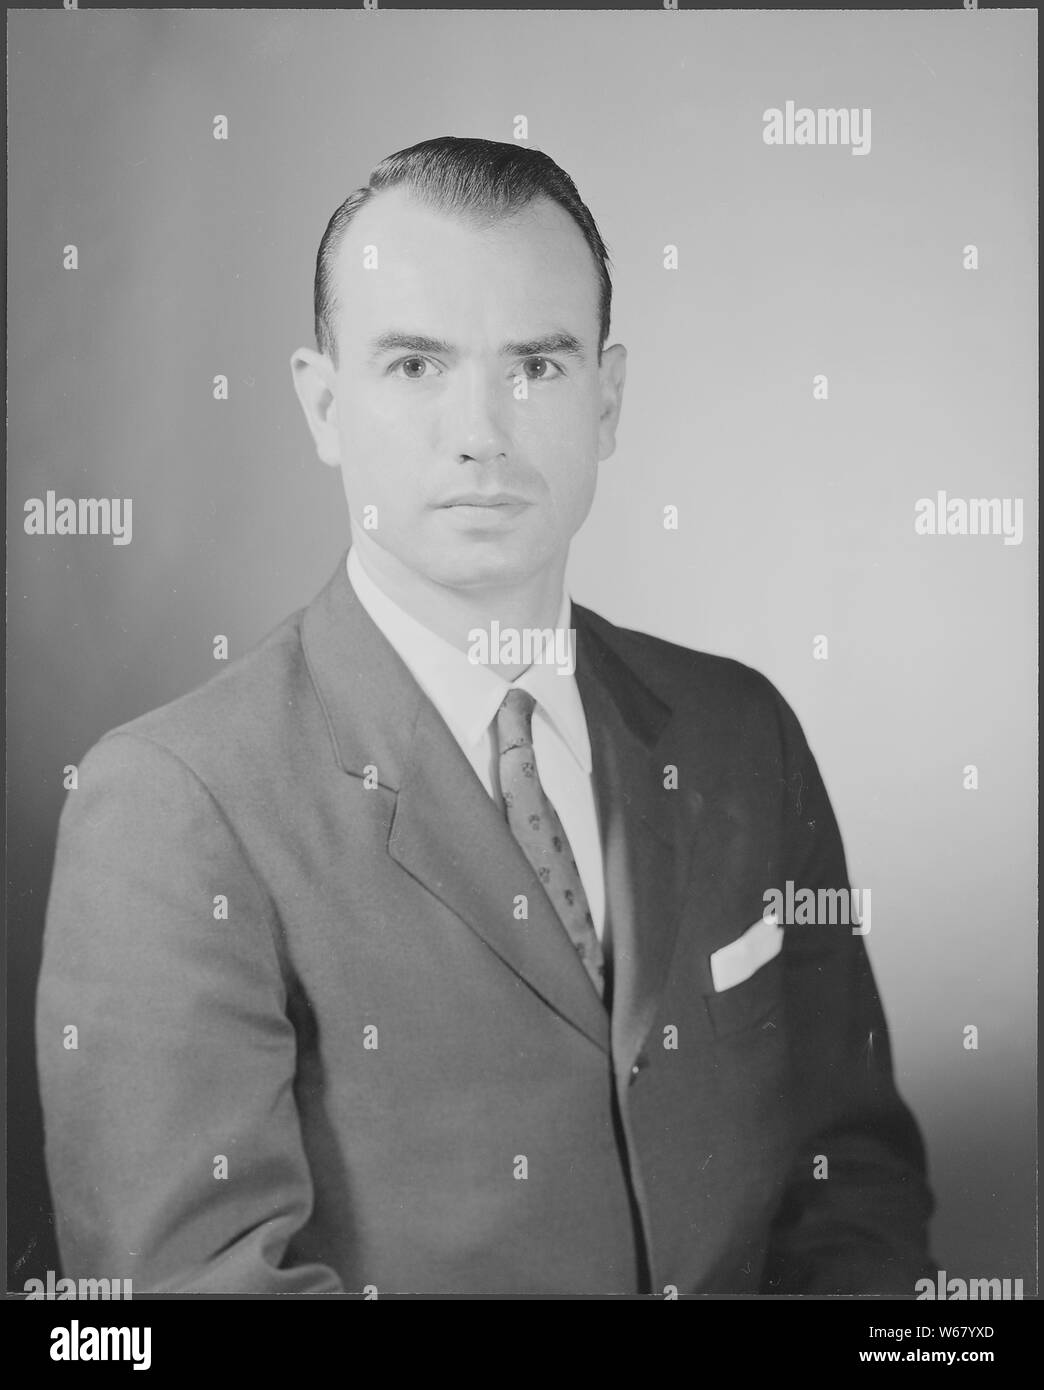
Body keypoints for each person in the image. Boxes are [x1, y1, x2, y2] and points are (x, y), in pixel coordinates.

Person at [37, 136, 934, 1296]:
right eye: (415, 366)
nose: (483, 431)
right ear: (322, 404)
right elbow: (187, 1295)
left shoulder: (740, 733)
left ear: (607, 400)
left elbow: (850, 1183)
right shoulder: (170, 802)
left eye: (539, 366)